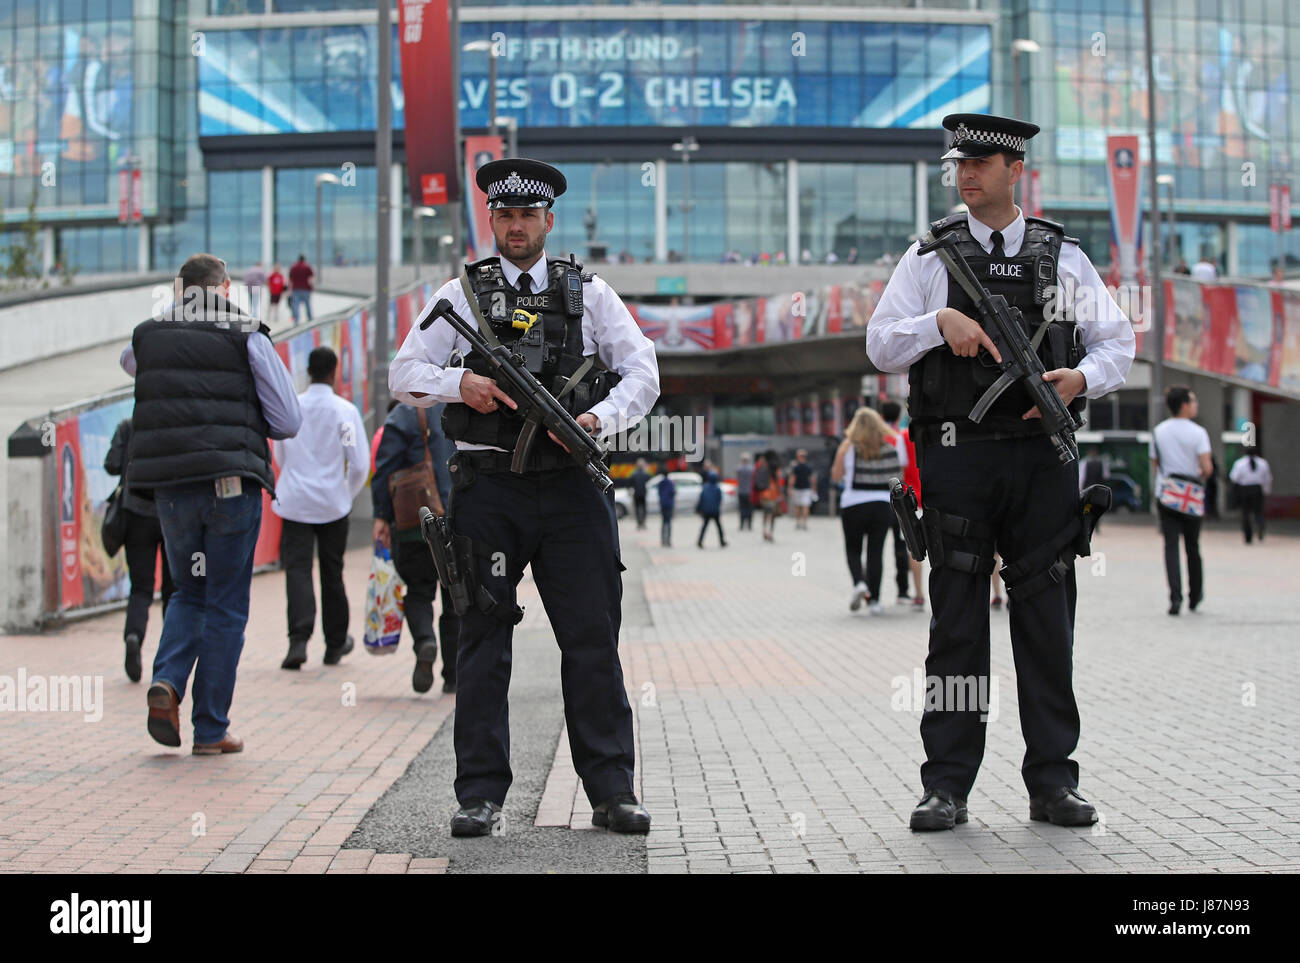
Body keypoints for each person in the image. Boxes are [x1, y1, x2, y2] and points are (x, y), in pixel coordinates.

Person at [867, 114, 1135, 832]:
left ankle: (1054, 781)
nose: (966, 173)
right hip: (957, 455)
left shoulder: (1062, 256)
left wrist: (1080, 378)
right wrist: (938, 326)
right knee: (956, 628)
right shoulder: (929, 256)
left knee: (1046, 624)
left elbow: (1119, 340)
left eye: (982, 162)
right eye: (960, 162)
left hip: (1041, 456)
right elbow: (880, 343)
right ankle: (946, 784)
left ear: (1015, 169)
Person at [388, 158, 660, 837]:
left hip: (570, 488)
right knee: (481, 639)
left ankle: (611, 789)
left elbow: (643, 370)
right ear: (493, 220)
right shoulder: (463, 296)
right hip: (490, 490)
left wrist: (599, 420)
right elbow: (402, 372)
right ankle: (479, 794)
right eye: (505, 214)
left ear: (548, 220)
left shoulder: (588, 293)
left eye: (527, 214)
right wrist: (461, 387)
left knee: (592, 639)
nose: (516, 224)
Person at [122, 253, 302, 754]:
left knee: (187, 591)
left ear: (181, 292)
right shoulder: (247, 334)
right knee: (224, 605)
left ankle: (168, 681)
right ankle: (210, 728)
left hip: (172, 489)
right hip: (229, 484)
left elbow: (129, 362)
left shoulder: (148, 335)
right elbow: (287, 420)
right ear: (224, 289)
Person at [271, 346, 369, 670]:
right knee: (332, 573)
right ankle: (335, 644)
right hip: (331, 503)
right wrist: (344, 494)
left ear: (308, 372)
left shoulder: (293, 407)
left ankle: (298, 640)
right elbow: (358, 464)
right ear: (333, 373)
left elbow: (281, 455)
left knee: (297, 570)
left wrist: (295, 479)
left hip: (295, 500)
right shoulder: (344, 411)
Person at [372, 401, 460, 694]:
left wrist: (382, 516)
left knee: (419, 591)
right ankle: (453, 676)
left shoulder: (404, 413)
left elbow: (385, 469)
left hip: (415, 520)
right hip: (458, 518)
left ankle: (425, 641)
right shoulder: (461, 402)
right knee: (456, 596)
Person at [104, 417, 175, 683]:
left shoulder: (127, 425)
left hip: (135, 514)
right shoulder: (172, 425)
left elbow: (111, 464)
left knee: (141, 587)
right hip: (171, 516)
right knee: (174, 590)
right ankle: (171, 656)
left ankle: (134, 635)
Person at [832, 408, 905, 616]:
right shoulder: (889, 448)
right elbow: (897, 480)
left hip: (853, 503)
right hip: (882, 505)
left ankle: (858, 583)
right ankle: (875, 601)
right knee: (876, 552)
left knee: (853, 549)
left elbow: (836, 476)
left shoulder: (847, 447)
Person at [1151, 385, 1213, 615]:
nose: (1196, 405)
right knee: (1193, 547)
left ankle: (1174, 598)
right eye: (1194, 401)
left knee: (1170, 547)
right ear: (1185, 405)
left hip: (1167, 496)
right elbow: (1207, 468)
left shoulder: (1159, 431)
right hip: (1191, 498)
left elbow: (1156, 466)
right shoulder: (1199, 433)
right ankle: (1195, 596)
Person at [880, 400, 924, 605]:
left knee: (913, 546)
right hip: (932, 495)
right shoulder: (932, 434)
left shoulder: (901, 438)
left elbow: (902, 466)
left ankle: (917, 593)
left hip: (910, 498)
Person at [1229, 446, 1272, 544]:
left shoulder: (1240, 463)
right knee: (1259, 512)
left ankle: (1248, 536)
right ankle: (1260, 526)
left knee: (1245, 514)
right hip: (1257, 489)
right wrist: (1266, 490)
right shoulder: (1263, 463)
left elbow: (1234, 478)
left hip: (1245, 490)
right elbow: (1268, 478)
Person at [754, 449, 785, 542]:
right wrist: (780, 494)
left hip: (764, 494)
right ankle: (769, 531)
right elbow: (778, 482)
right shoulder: (775, 469)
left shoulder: (762, 468)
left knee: (766, 513)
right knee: (771, 514)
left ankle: (765, 530)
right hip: (772, 494)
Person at [696, 470, 727, 548]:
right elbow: (719, 500)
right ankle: (722, 541)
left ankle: (700, 541)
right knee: (719, 527)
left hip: (706, 511)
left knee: (704, 526)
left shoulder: (705, 487)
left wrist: (700, 508)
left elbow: (701, 499)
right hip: (715, 511)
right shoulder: (717, 488)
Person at [789, 449, 816, 530]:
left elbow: (792, 479)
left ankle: (798, 522)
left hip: (798, 488)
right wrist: (814, 489)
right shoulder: (809, 467)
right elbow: (812, 479)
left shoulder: (796, 467)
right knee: (805, 506)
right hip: (806, 489)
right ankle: (804, 523)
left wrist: (790, 489)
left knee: (798, 506)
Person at [289, 254, 314, 324]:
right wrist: (312, 286)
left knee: (296, 305)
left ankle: (296, 320)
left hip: (296, 289)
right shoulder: (307, 267)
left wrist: (289, 290)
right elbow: (311, 278)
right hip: (306, 289)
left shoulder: (293, 267)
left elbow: (290, 279)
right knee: (308, 304)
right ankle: (310, 318)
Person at [735, 452, 755, 531]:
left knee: (742, 509)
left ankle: (742, 525)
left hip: (741, 492)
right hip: (749, 492)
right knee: (750, 509)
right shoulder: (751, 469)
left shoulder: (739, 469)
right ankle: (749, 525)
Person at [657, 467, 675, 547]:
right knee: (669, 522)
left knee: (663, 522)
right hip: (669, 504)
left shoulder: (660, 483)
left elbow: (659, 493)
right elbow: (672, 492)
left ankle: (662, 539)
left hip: (662, 504)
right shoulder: (671, 483)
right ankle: (668, 539)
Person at [630, 458, 649, 530]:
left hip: (636, 494)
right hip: (643, 494)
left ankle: (639, 523)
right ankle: (643, 523)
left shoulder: (634, 474)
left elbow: (630, 483)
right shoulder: (645, 474)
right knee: (643, 509)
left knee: (637, 509)